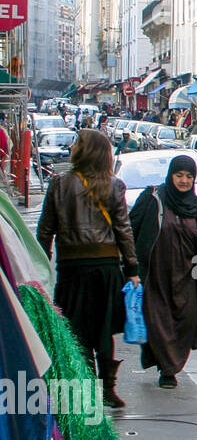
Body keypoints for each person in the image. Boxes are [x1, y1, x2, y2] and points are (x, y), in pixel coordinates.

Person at [36, 129, 139, 409]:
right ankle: (108, 388)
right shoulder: (114, 185)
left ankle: (85, 391)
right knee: (103, 329)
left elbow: (45, 231)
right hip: (106, 267)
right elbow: (123, 231)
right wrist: (132, 268)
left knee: (76, 330)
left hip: (72, 267)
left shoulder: (59, 183)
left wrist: (42, 268)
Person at [129, 155, 197, 388]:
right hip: (155, 274)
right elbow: (130, 229)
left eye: (189, 176)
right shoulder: (152, 198)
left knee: (185, 323)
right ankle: (167, 370)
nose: (184, 181)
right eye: (179, 175)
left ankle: (174, 363)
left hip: (187, 275)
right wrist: (130, 266)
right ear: (170, 175)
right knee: (159, 322)